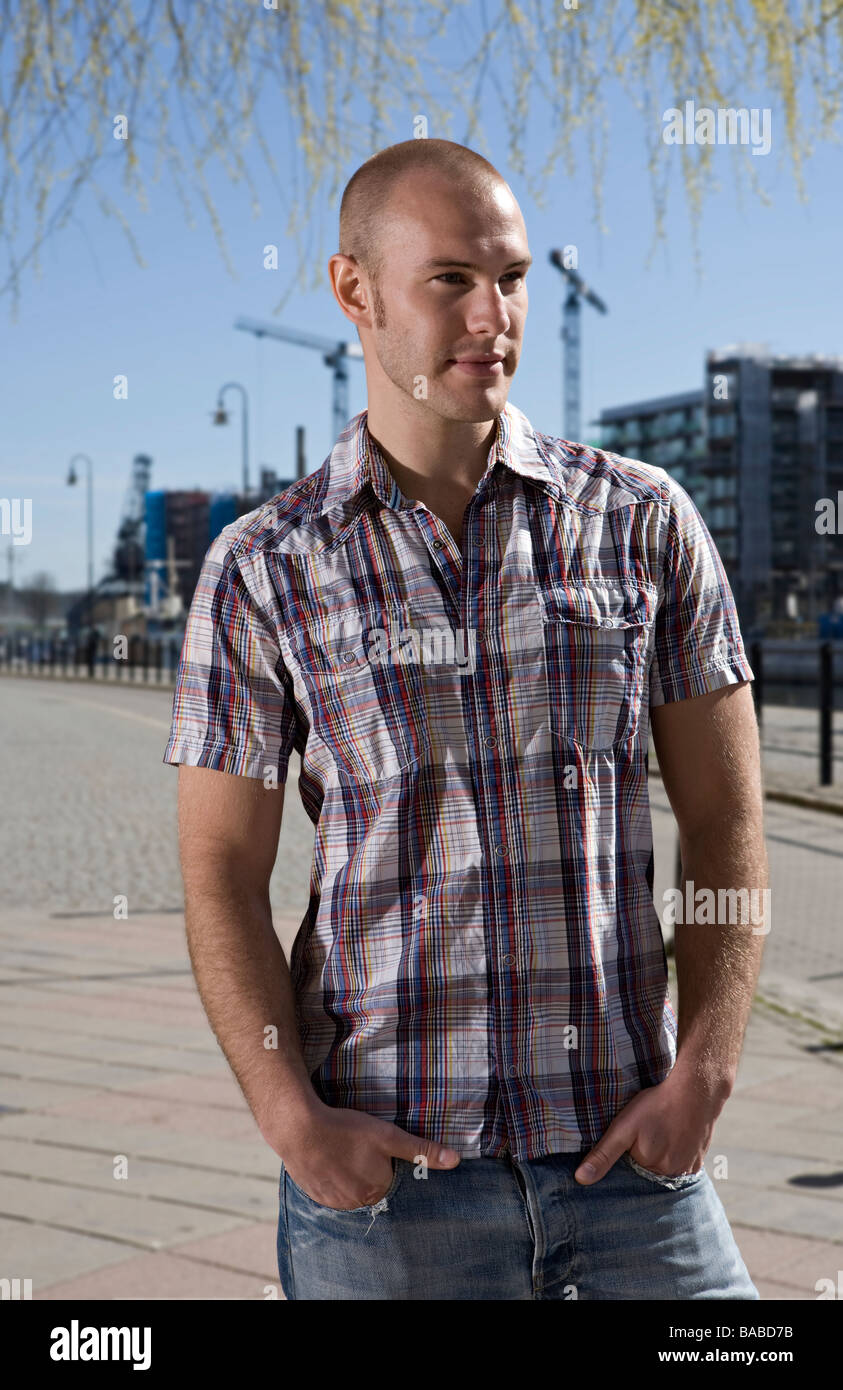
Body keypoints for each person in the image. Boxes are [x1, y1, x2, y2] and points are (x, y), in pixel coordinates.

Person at [164, 138, 767, 1300]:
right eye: (451, 279)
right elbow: (219, 876)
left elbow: (727, 816)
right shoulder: (263, 568)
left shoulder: (645, 523)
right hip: (391, 1196)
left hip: (633, 1167)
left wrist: (709, 1066)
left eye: (515, 276)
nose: (494, 315)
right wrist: (294, 1121)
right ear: (355, 291)